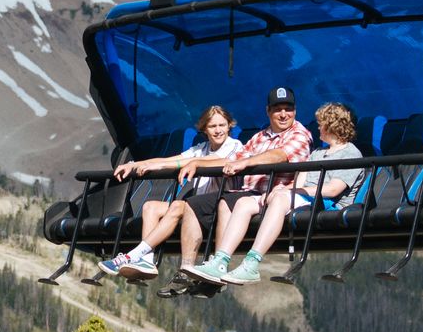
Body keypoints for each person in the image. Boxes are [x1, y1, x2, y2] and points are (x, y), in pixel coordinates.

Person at [181, 85, 313, 287]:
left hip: (276, 193)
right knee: (195, 203)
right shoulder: (260, 137)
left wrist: (247, 162)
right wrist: (198, 163)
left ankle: (223, 263)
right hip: (249, 193)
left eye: (289, 108)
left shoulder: (300, 134)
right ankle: (191, 268)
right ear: (268, 111)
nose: (284, 114)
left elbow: (281, 155)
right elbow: (233, 159)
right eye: (278, 109)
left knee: (231, 202)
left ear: (295, 111)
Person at [97, 106, 241, 281]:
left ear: (229, 126)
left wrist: (193, 163)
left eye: (222, 125)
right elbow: (170, 160)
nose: (218, 131)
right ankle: (147, 259)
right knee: (151, 207)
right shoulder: (201, 149)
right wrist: (134, 165)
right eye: (213, 126)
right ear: (204, 129)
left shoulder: (234, 146)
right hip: (197, 206)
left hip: (219, 205)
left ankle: (132, 255)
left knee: (179, 205)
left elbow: (221, 161)